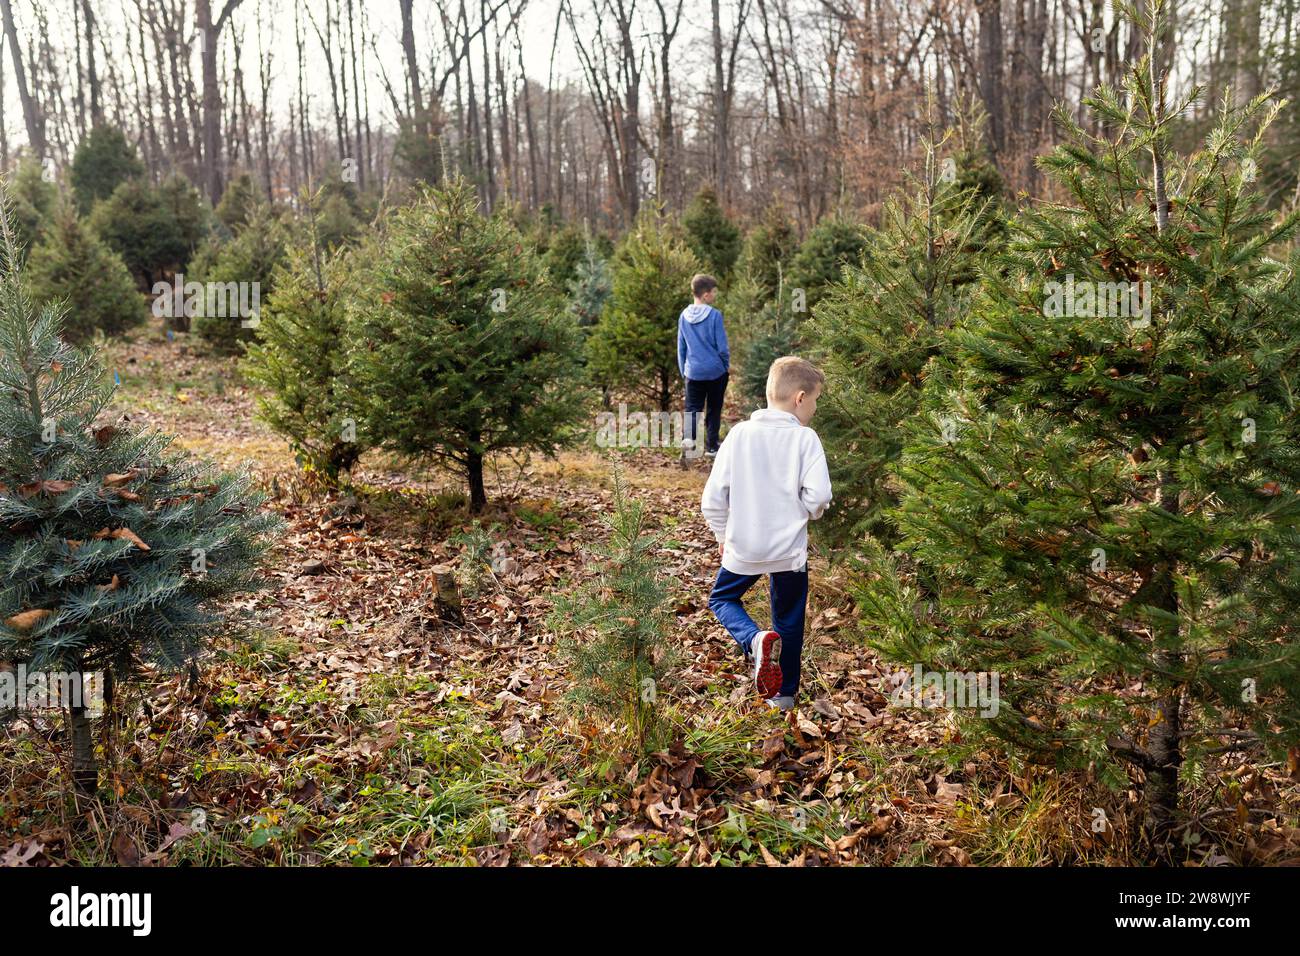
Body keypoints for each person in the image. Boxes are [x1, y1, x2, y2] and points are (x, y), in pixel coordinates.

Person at [701, 356, 832, 711]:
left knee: (722, 600)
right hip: (788, 552)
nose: (815, 409)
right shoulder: (806, 440)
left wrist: (722, 535)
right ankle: (784, 697)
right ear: (800, 398)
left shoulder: (739, 435)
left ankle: (753, 638)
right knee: (788, 618)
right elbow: (818, 496)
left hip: (744, 547)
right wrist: (805, 511)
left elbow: (713, 498)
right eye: (816, 400)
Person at [677, 274, 730, 457]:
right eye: (713, 292)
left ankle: (688, 444)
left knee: (692, 409)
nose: (715, 295)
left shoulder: (683, 316)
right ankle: (712, 446)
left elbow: (681, 347)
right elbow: (722, 347)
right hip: (715, 371)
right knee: (714, 409)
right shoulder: (715, 316)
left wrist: (684, 370)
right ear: (706, 295)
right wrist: (725, 365)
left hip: (693, 372)